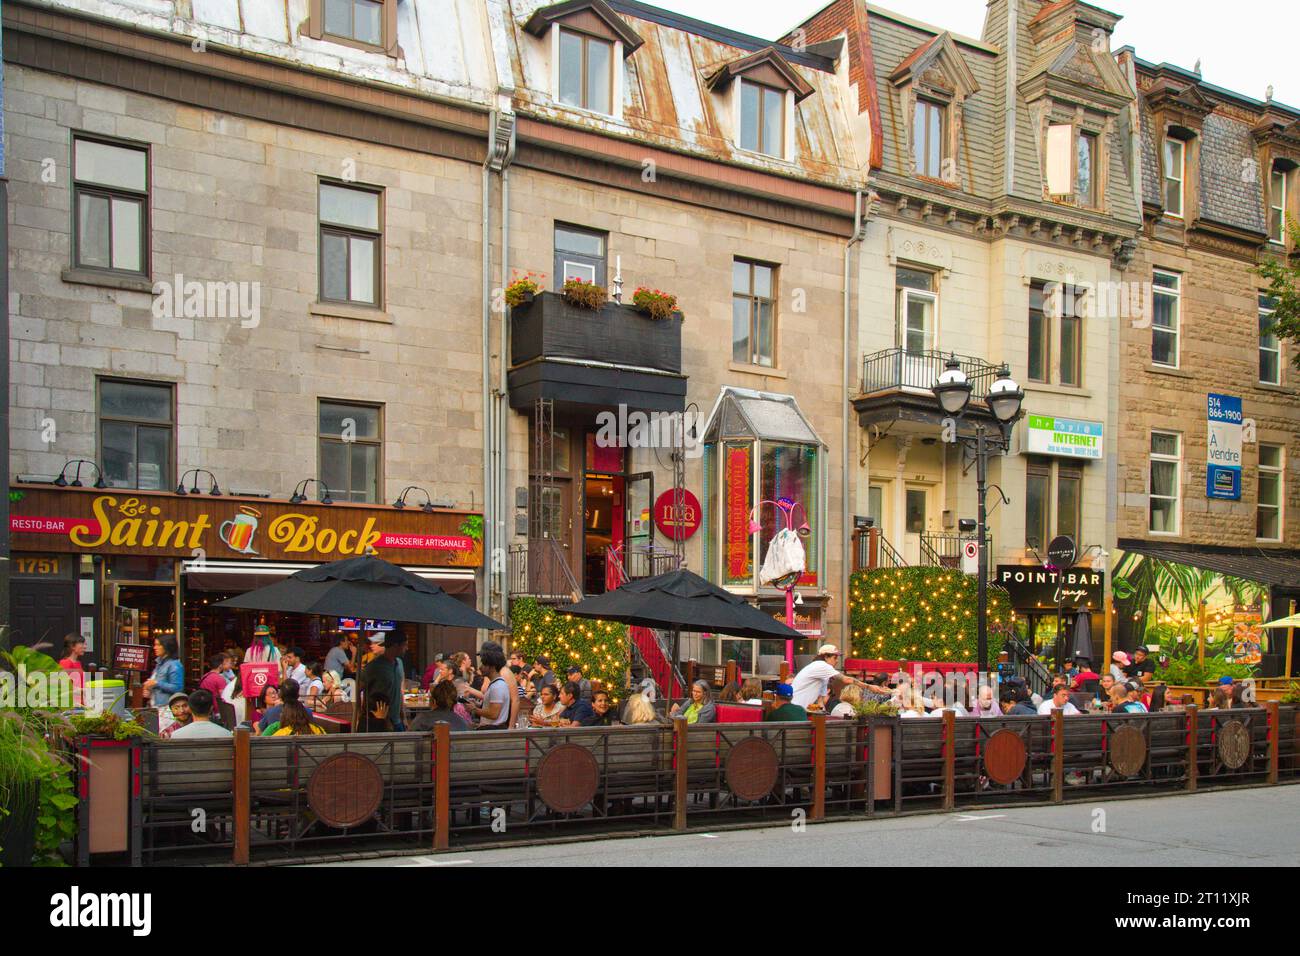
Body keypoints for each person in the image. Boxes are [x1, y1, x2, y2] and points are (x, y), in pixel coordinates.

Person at [790, 644, 865, 710]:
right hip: (796, 707)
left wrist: (825, 716)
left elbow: (820, 701)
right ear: (826, 657)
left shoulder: (822, 672)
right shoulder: (822, 665)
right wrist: (869, 687)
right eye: (835, 657)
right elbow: (846, 679)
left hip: (798, 708)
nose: (837, 661)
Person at [362, 632, 408, 731]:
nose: (407, 648)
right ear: (396, 645)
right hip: (379, 722)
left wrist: (403, 717)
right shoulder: (373, 667)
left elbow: (399, 691)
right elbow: (358, 689)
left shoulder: (399, 663)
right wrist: (359, 716)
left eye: (376, 643)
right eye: (405, 645)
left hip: (397, 721)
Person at [466, 644, 511, 729]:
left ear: (492, 666)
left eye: (484, 664)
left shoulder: (498, 686)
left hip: (493, 731)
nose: (480, 667)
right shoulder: (495, 684)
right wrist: (478, 705)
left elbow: (493, 714)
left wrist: (474, 709)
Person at [143, 636, 184, 707]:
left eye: (158, 645)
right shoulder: (159, 664)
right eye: (155, 645)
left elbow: (178, 687)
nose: (155, 648)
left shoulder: (174, 664)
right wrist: (149, 691)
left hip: (166, 708)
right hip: (156, 706)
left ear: (167, 646)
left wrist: (156, 683)